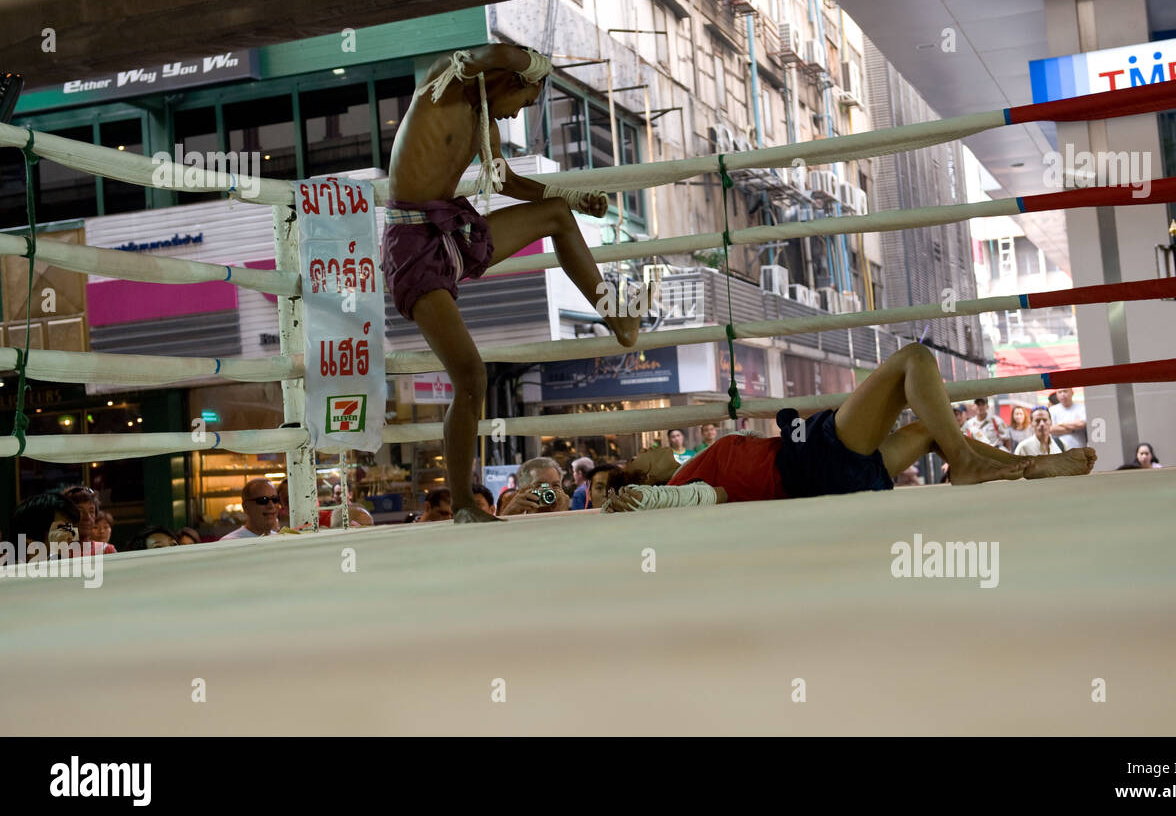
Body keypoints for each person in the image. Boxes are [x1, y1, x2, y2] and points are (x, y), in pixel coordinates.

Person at [385, 43, 639, 524]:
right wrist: (537, 63)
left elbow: (500, 177)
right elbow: (486, 54)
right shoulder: (440, 89)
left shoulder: (482, 113)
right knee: (471, 377)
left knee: (557, 215)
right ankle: (462, 503)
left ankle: (618, 316)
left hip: (452, 231)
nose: (514, 116)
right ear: (513, 81)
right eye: (523, 103)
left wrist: (574, 195)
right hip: (414, 247)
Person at [603, 343, 1096, 511]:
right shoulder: (681, 485)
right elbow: (708, 499)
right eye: (635, 460)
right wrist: (644, 498)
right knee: (913, 360)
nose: (642, 449)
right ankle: (966, 465)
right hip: (813, 461)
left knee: (930, 431)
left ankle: (1035, 466)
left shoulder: (694, 467)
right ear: (645, 476)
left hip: (827, 469)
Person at [500, 457, 571, 514]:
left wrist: (563, 515)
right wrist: (509, 516)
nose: (549, 491)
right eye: (540, 485)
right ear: (522, 489)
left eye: (555, 485)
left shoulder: (570, 515)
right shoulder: (513, 510)